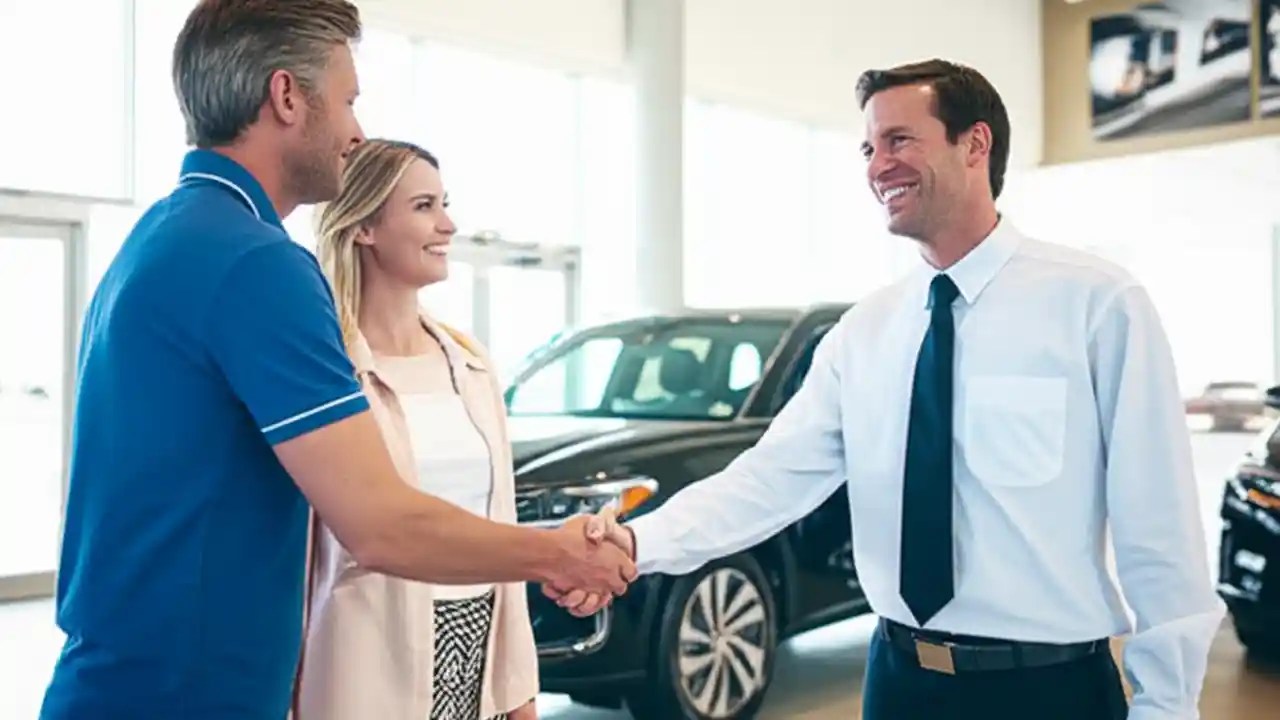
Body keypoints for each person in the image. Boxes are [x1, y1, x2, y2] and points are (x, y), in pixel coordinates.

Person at [557, 59, 1225, 720]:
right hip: (900, 684)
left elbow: (1157, 521)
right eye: (869, 148)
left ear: (976, 144)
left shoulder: (1096, 303)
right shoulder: (864, 332)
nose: (879, 166)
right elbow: (770, 479)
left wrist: (1166, 704)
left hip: (1046, 689)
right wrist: (636, 546)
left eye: (900, 140)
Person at [40, 3, 631, 719]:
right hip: (185, 697)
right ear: (288, 97)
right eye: (348, 99)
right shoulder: (257, 264)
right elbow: (380, 525)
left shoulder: (163, 236)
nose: (356, 130)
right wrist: (557, 554)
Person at [291, 139, 538, 720]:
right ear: (364, 227)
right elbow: (300, 557)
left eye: (443, 203)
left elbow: (500, 528)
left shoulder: (472, 366)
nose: (448, 224)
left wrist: (520, 691)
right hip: (364, 668)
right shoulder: (325, 373)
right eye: (424, 206)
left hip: (475, 650)